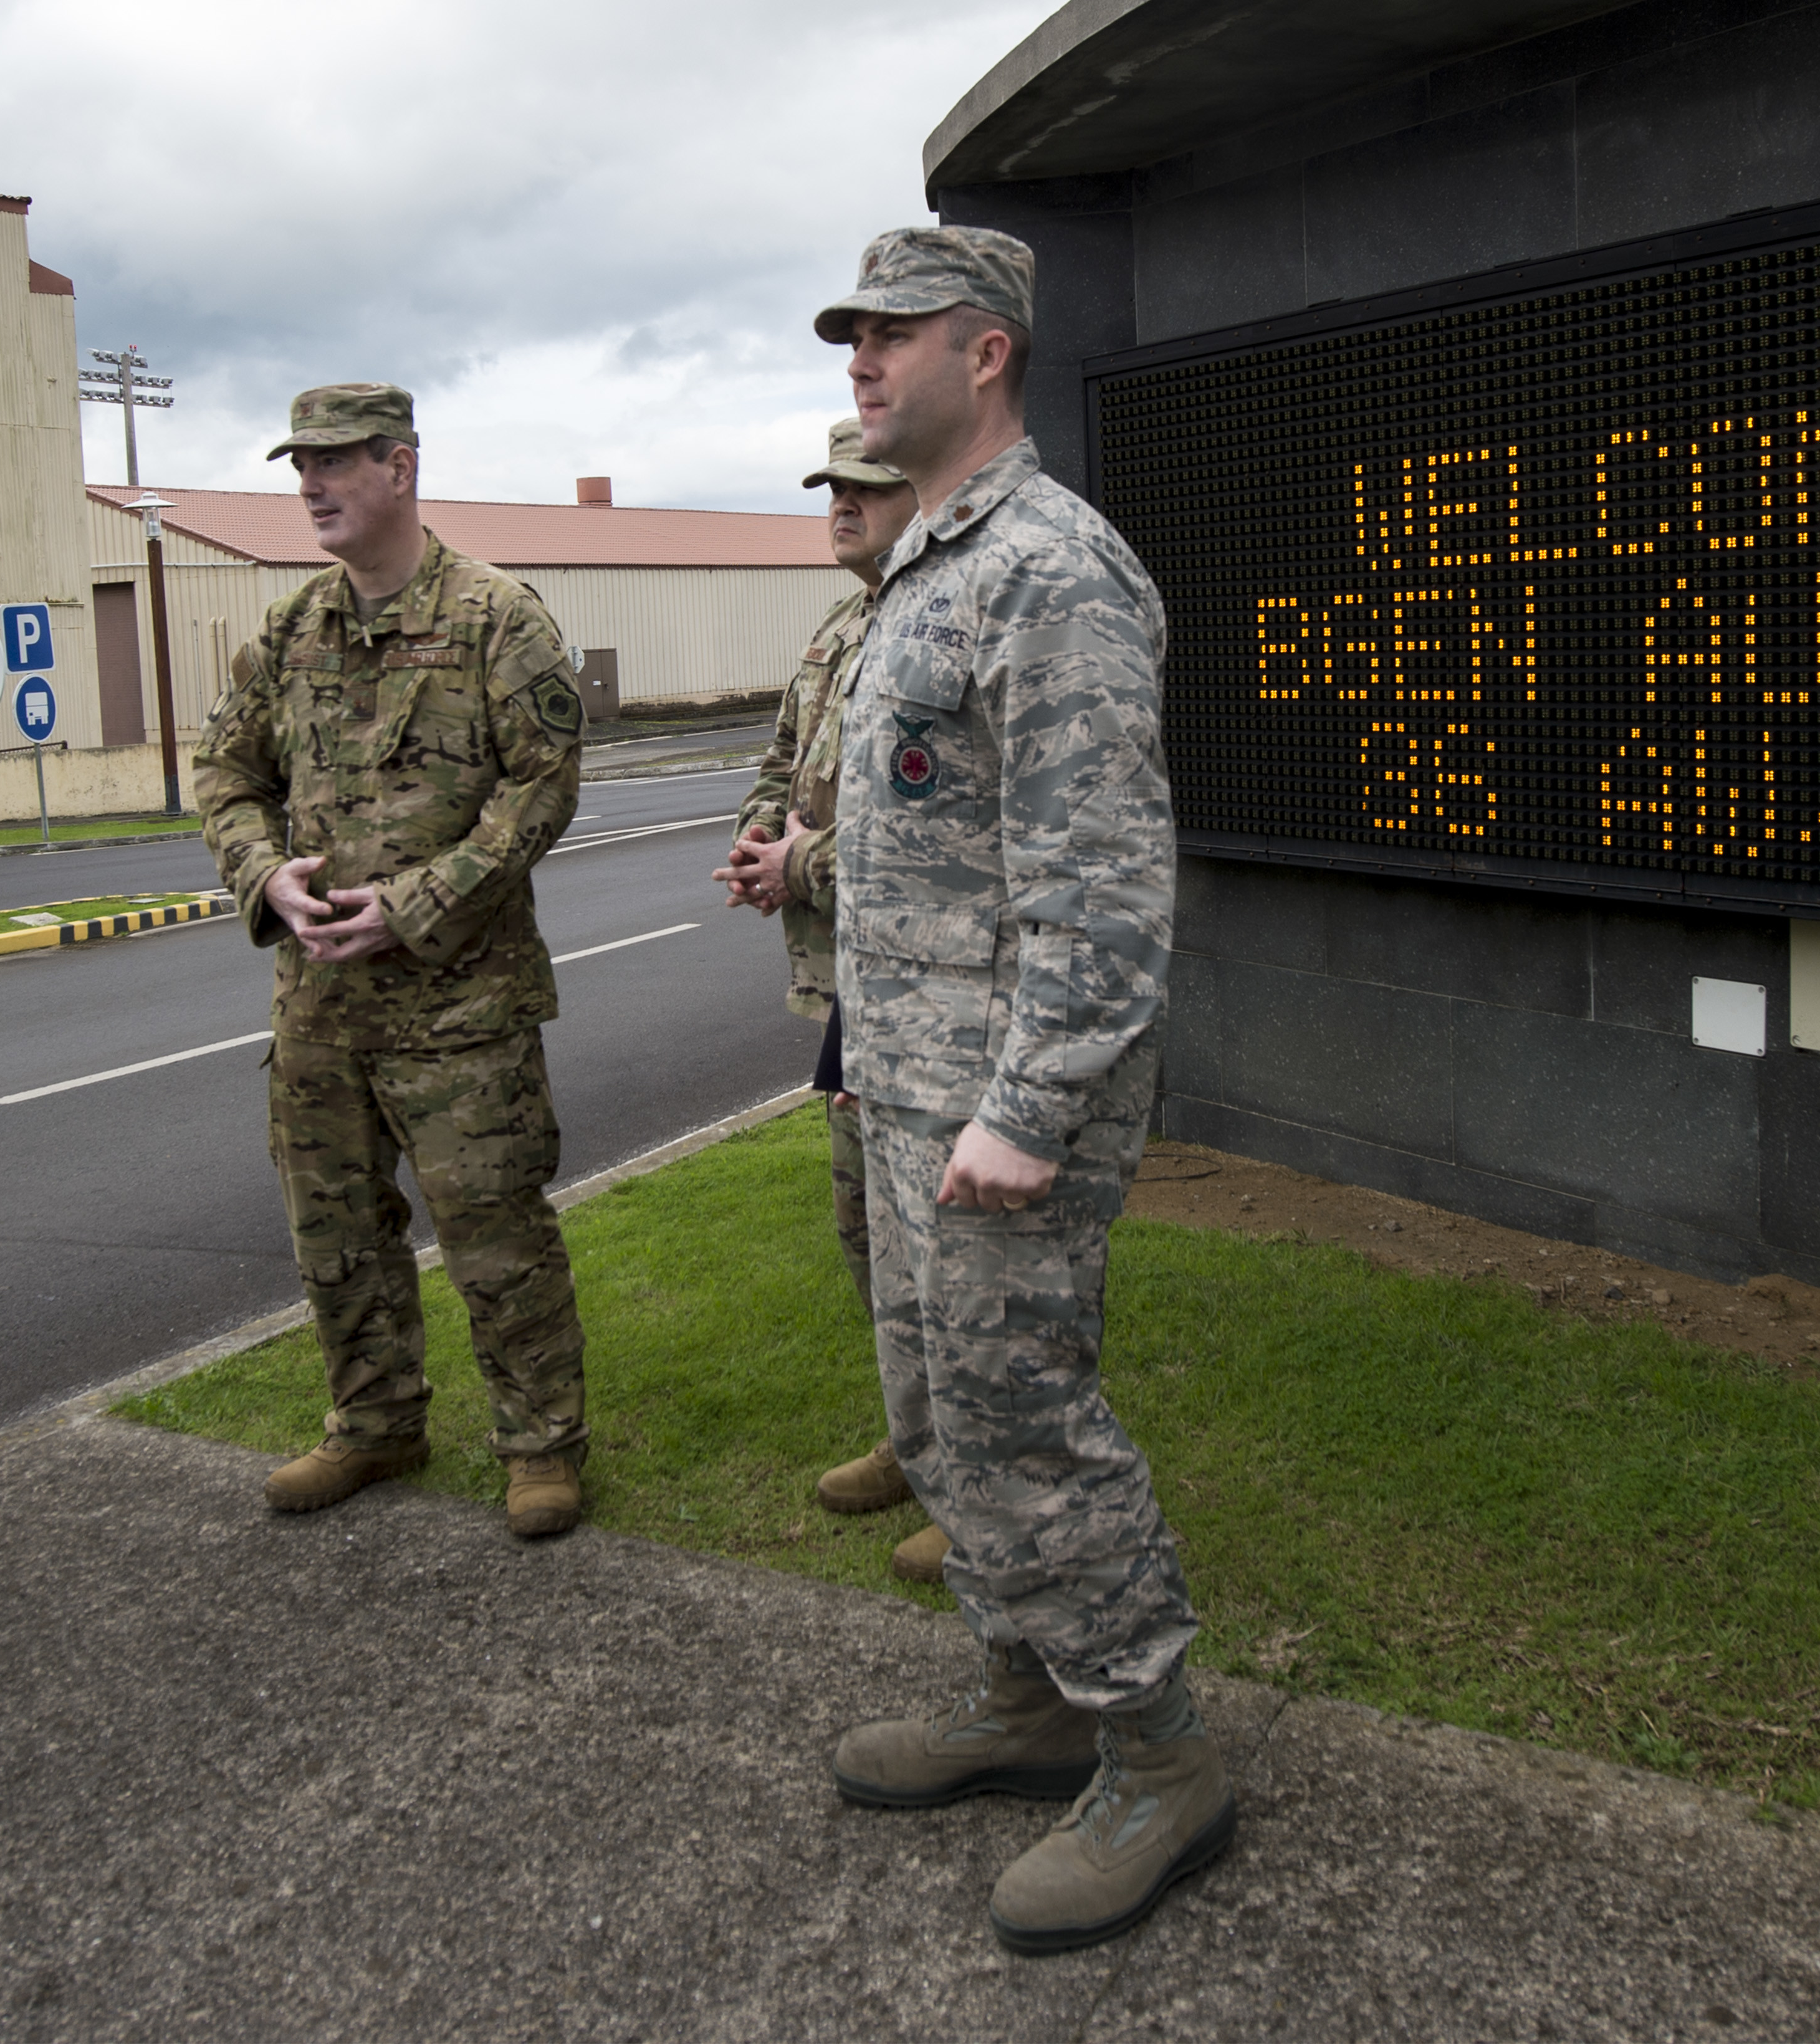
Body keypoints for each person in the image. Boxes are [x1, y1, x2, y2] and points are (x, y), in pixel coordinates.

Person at [813, 228, 1230, 1954]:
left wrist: (1031, 1107)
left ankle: (1158, 1751)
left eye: (888, 334)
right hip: (910, 1096)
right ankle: (1023, 1690)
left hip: (999, 1118)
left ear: (984, 353)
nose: (858, 361)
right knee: (935, 1426)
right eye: (851, 335)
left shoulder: (1050, 571)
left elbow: (1104, 889)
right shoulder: (930, 564)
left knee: (1024, 1430)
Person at [196, 383, 592, 1539]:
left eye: (334, 464)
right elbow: (224, 772)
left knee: (496, 1234)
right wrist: (262, 875)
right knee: (336, 1233)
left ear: (400, 466)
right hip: (319, 1004)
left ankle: (543, 1445)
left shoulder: (496, 618)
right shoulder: (291, 628)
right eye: (299, 468)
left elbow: (544, 788)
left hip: (461, 1005)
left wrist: (418, 904)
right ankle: (374, 1424)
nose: (311, 486)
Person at [711, 417, 942, 1580]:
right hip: (856, 987)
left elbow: (938, 838)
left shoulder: (939, 624)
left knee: (946, 1250)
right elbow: (781, 759)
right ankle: (920, 1438)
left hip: (941, 993)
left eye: (863, 486)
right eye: (830, 487)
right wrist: (760, 837)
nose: (840, 505)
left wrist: (799, 864)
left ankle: (977, 1476)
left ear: (917, 492)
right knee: (866, 1231)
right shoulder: (842, 629)